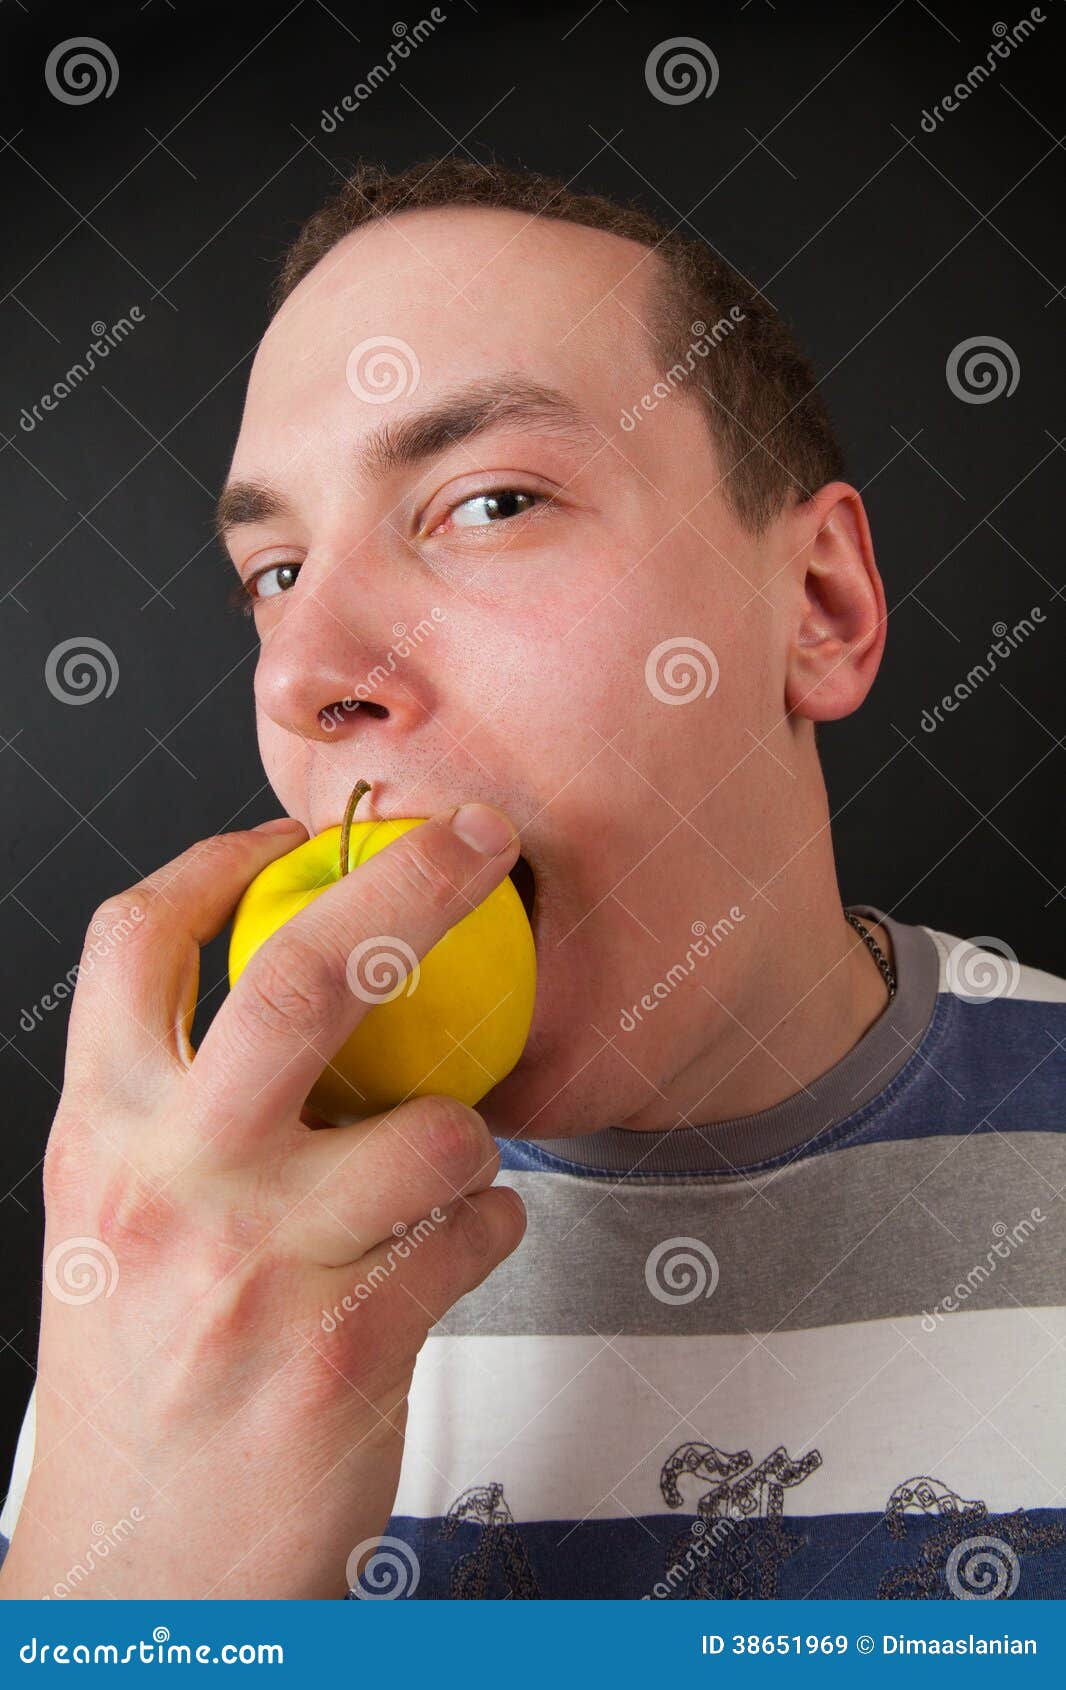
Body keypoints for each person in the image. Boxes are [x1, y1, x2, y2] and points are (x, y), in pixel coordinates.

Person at [2, 157, 1063, 1601]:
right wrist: (140, 1602)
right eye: (275, 570)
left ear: (815, 605)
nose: (306, 676)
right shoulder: (187, 1261)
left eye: (489, 502)